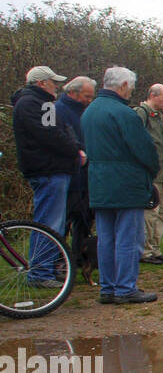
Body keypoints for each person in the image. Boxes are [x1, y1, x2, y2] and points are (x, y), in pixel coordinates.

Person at [82, 66, 159, 303]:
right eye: (131, 88)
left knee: (106, 238)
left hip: (99, 181)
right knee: (128, 238)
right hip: (126, 183)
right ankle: (125, 288)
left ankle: (107, 288)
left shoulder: (89, 112)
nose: (131, 92)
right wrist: (152, 170)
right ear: (123, 86)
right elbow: (145, 149)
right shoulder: (125, 114)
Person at [10, 66, 81, 286]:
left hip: (51, 169)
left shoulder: (39, 104)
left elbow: (59, 131)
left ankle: (48, 268)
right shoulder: (35, 104)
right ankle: (40, 273)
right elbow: (52, 135)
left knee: (53, 223)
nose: (56, 87)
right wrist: (76, 150)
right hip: (48, 170)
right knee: (49, 223)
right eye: (53, 82)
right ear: (42, 83)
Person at [56, 76, 96, 272]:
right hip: (70, 176)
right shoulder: (58, 110)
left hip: (86, 176)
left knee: (85, 219)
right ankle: (59, 261)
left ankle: (80, 257)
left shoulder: (85, 111)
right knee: (64, 220)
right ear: (73, 93)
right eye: (87, 96)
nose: (90, 100)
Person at [135, 84, 163, 264]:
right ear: (153, 95)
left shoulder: (160, 117)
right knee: (150, 214)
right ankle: (145, 251)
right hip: (151, 174)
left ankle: (156, 248)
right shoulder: (142, 114)